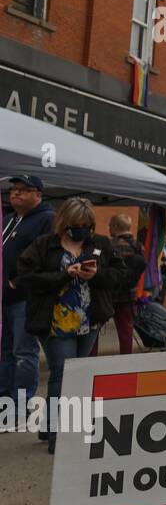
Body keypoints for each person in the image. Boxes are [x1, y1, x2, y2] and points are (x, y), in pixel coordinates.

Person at [17, 197, 126, 452]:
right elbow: (26, 277)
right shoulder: (45, 245)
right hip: (55, 321)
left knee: (75, 375)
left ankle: (49, 426)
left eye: (87, 224)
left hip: (90, 321)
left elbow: (122, 275)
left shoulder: (100, 244)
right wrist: (62, 275)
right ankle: (59, 437)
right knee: (63, 375)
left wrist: (96, 275)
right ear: (64, 223)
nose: (82, 229)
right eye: (76, 224)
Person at [2, 175, 54, 424]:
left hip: (25, 298)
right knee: (5, 351)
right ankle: (5, 401)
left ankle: (21, 408)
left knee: (23, 352)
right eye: (14, 189)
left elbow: (46, 259)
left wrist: (16, 282)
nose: (16, 194)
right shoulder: (8, 219)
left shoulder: (46, 219)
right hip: (4, 298)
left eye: (24, 190)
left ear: (38, 194)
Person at [102, 214, 146, 355]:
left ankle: (91, 359)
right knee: (126, 331)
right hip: (128, 294)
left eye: (110, 226)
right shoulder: (139, 246)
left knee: (95, 329)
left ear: (115, 227)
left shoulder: (108, 244)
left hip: (108, 294)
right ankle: (126, 359)